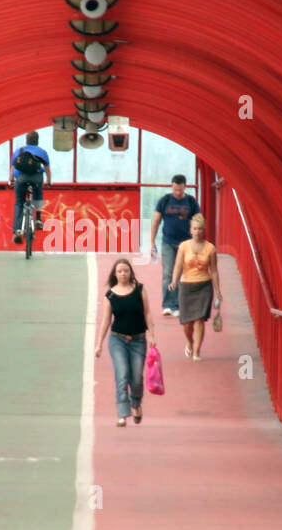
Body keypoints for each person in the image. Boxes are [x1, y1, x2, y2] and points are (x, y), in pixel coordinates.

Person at [94, 258, 157, 427]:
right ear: (115, 274)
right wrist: (99, 344)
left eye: (126, 271)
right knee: (122, 375)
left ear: (131, 273)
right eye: (120, 271)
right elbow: (106, 320)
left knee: (136, 378)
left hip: (138, 340)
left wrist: (152, 335)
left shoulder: (139, 290)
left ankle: (136, 404)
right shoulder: (111, 295)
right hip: (117, 340)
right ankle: (122, 413)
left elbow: (148, 313)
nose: (123, 274)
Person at [168, 214, 221, 361]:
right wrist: (174, 281)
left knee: (199, 320)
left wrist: (218, 290)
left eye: (200, 229)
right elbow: (178, 265)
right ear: (190, 230)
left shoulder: (210, 248)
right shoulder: (184, 246)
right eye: (195, 229)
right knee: (187, 322)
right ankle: (190, 342)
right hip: (186, 285)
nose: (197, 231)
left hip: (204, 285)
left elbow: (214, 270)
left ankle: (197, 351)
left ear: (204, 231)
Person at [149, 175, 201, 317]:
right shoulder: (164, 201)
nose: (177, 192)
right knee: (168, 274)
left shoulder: (191, 201)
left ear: (185, 187)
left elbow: (198, 221)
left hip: (186, 244)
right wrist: (152, 241)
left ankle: (179, 305)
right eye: (175, 189)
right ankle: (167, 305)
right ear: (172, 187)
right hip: (168, 242)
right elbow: (156, 221)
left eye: (180, 189)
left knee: (184, 274)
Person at [10, 132, 51, 244]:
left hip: (21, 179)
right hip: (36, 178)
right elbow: (47, 168)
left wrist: (11, 180)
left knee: (19, 202)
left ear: (26, 141)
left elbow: (12, 167)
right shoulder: (42, 152)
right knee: (38, 195)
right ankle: (38, 219)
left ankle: (17, 230)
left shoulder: (19, 151)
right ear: (37, 141)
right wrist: (49, 181)